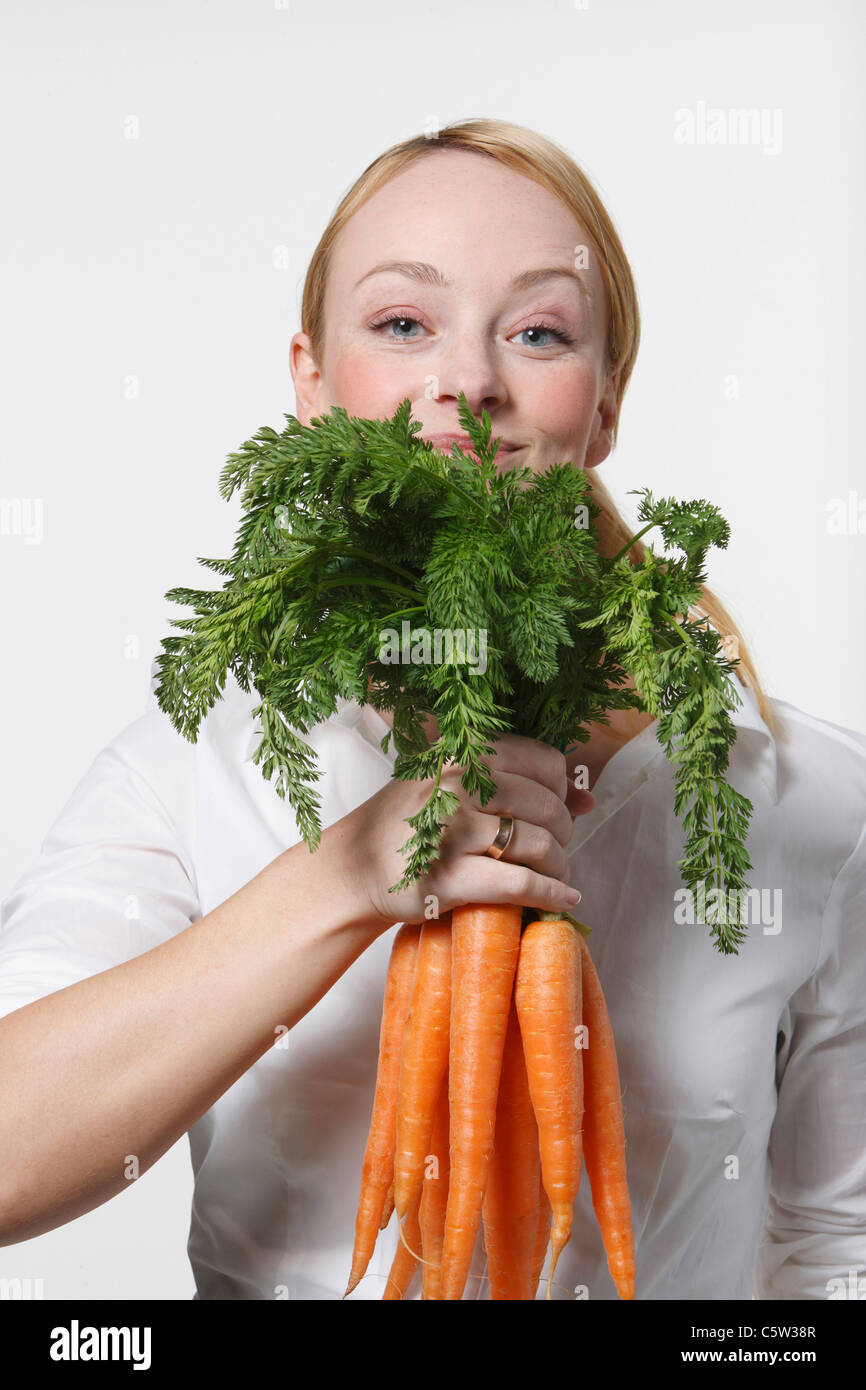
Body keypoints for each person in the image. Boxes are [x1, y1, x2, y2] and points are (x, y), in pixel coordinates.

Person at [1, 119, 864, 1301]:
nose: (467, 380)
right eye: (403, 322)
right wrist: (347, 874)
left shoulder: (812, 803)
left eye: (538, 331)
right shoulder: (191, 770)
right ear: (311, 382)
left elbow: (834, 1253)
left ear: (602, 405)